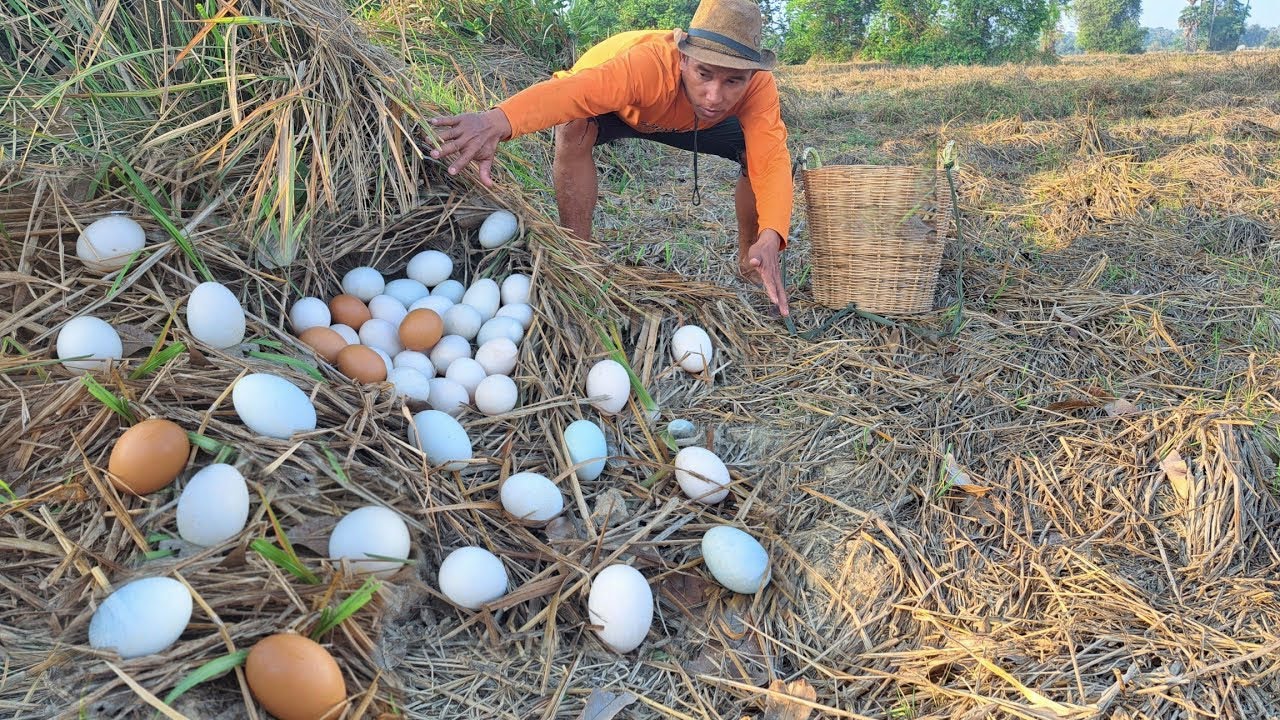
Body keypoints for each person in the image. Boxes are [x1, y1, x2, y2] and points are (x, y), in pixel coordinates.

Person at [428, 0, 792, 317]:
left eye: (734, 81)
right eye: (704, 73)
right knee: (574, 127)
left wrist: (771, 234)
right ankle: (581, 258)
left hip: (688, 122)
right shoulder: (645, 65)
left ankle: (752, 259)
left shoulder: (758, 87)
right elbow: (569, 94)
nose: (715, 95)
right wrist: (495, 121)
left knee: (750, 150)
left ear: (752, 75)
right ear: (683, 58)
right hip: (622, 110)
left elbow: (771, 158)